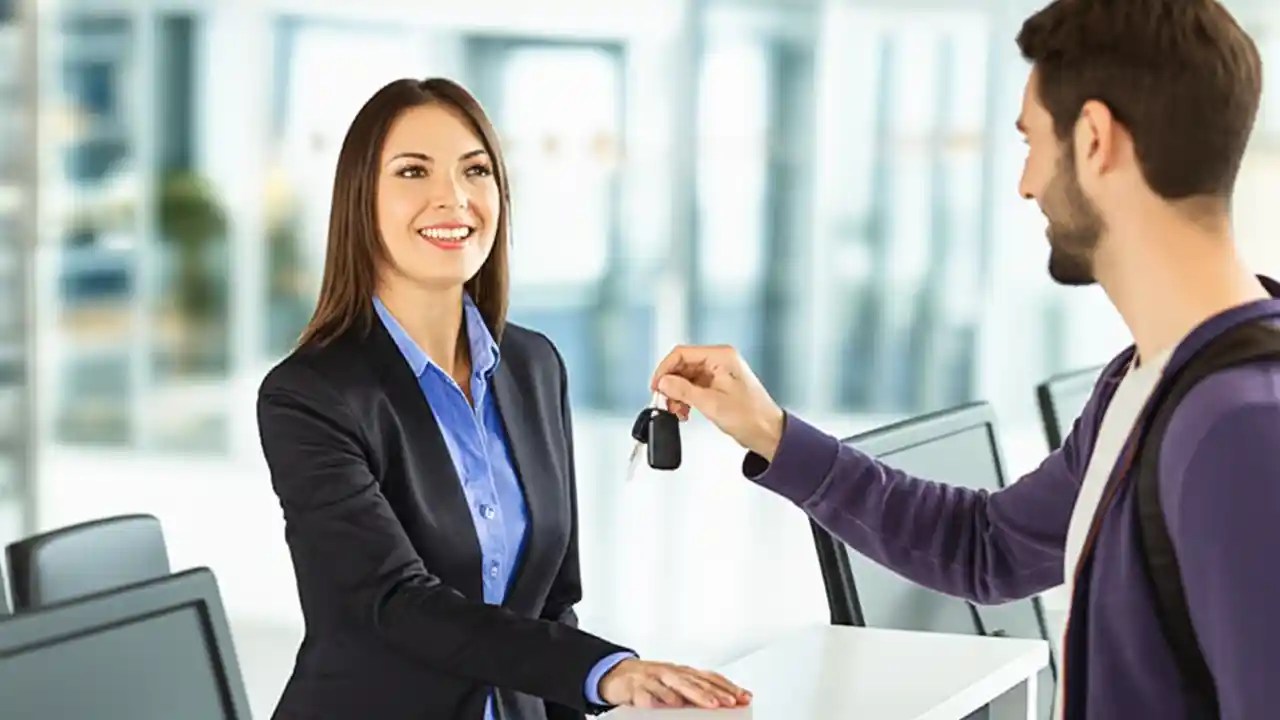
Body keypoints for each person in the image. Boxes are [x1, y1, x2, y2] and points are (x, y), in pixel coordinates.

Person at [649, 1, 1280, 719]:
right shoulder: (1146, 383)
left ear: (1096, 139)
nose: (1026, 183)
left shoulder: (1242, 426)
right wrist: (768, 429)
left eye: (1031, 142)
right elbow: (989, 548)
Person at [256, 77, 750, 720]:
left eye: (475, 170)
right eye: (413, 171)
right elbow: (395, 601)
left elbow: (552, 602)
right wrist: (608, 673)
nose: (453, 198)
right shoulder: (309, 397)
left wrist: (599, 691)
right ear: (360, 201)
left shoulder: (533, 365)